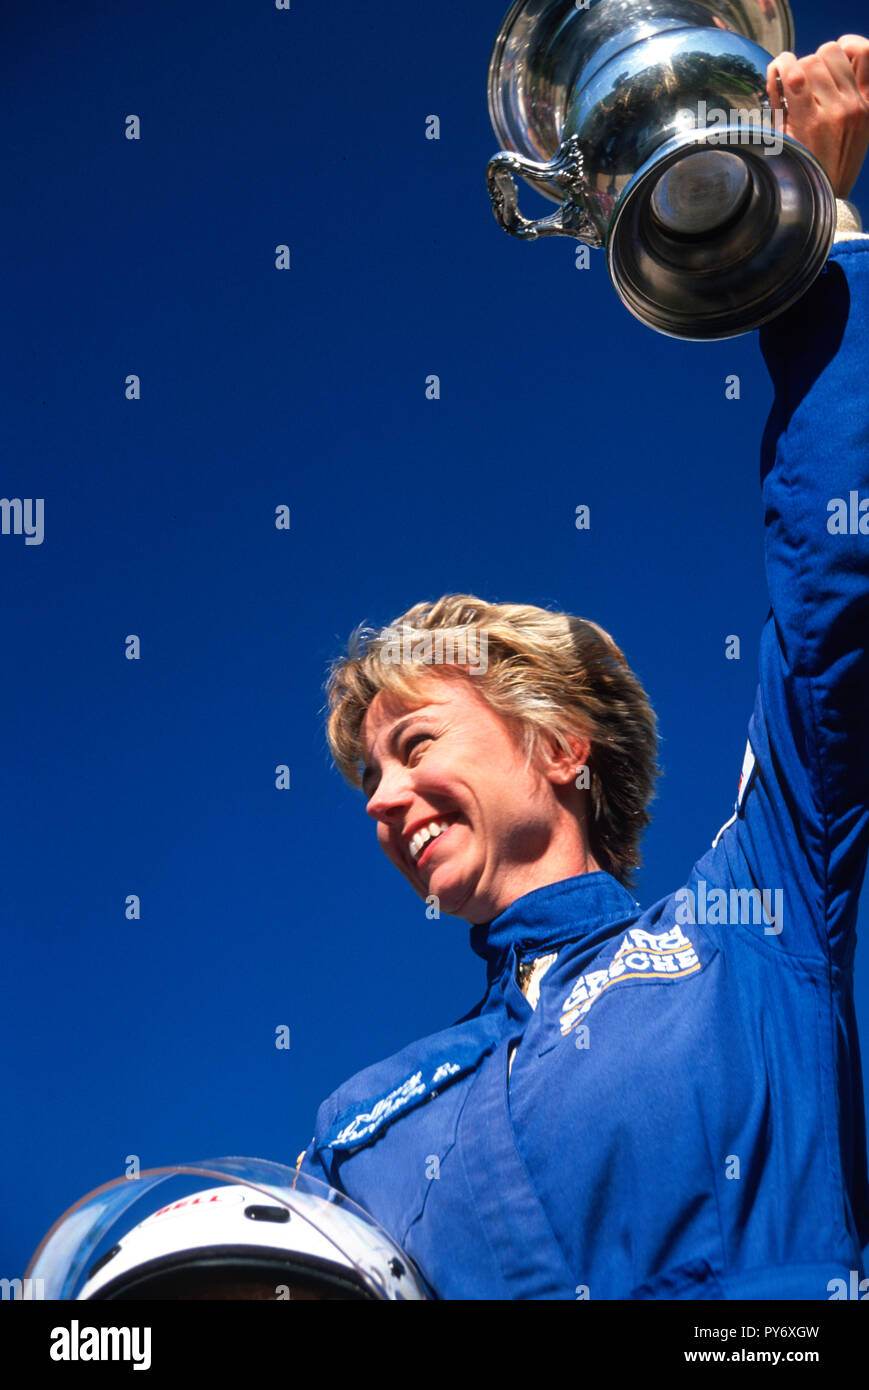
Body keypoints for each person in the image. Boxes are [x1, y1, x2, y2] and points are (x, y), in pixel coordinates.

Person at [297, 37, 869, 1299]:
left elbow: (834, 597)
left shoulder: (750, 919)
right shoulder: (357, 1128)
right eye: (369, 778)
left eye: (414, 744)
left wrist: (813, 243)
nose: (383, 800)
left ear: (560, 746)